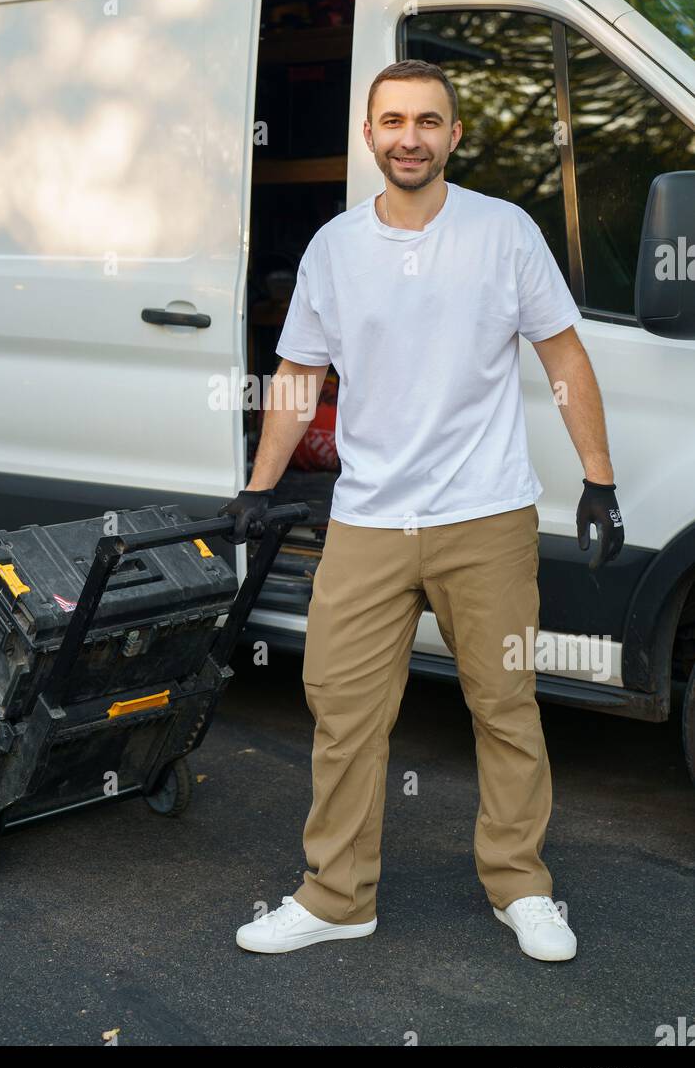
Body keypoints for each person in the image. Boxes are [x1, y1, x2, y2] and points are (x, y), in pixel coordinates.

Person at [220, 58, 625, 962]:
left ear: (453, 136)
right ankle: (336, 896)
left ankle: (521, 886)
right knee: (341, 706)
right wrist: (259, 484)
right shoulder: (334, 248)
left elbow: (563, 357)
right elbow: (298, 376)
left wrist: (598, 480)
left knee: (506, 704)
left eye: (429, 121)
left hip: (485, 517)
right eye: (393, 120)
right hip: (367, 521)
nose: (411, 137)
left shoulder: (504, 232)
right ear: (370, 135)